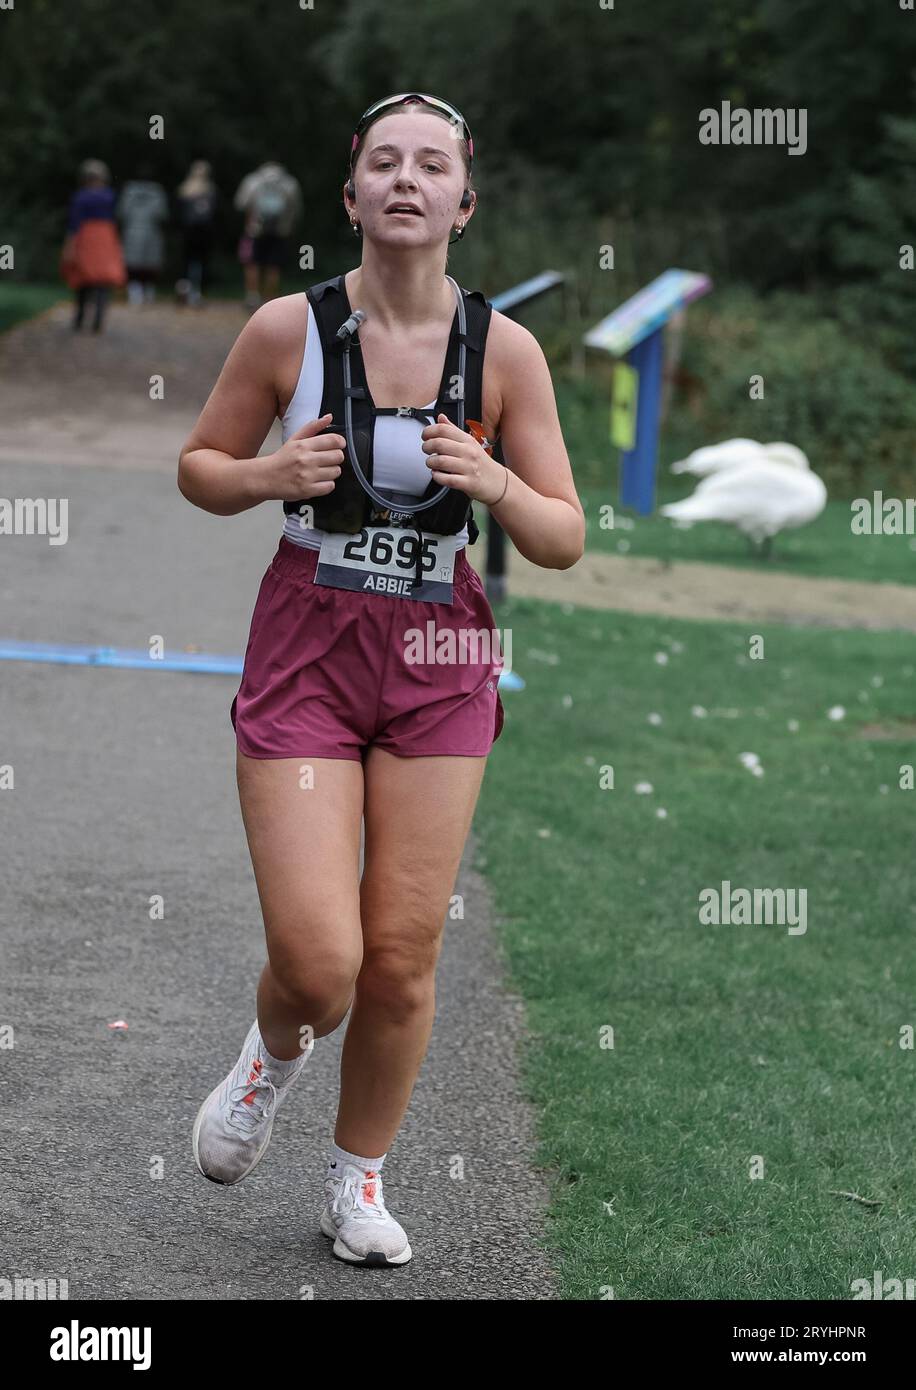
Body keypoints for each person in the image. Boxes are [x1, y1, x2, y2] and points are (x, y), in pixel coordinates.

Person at [178, 94, 584, 1268]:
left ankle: (355, 1183)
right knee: (322, 962)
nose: (408, 180)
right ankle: (271, 1054)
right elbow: (200, 467)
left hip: (441, 651)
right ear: (350, 192)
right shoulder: (283, 331)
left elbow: (562, 535)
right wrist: (266, 474)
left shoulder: (504, 351)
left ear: (466, 199)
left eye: (434, 164)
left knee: (401, 955)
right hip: (308, 634)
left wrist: (495, 485)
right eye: (384, 162)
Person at [60, 159, 126, 333]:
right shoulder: (110, 196)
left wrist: (69, 245)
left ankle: (80, 317)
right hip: (105, 237)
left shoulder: (81, 197)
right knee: (103, 279)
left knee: (83, 277)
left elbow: (74, 224)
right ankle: (98, 319)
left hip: (86, 236)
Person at [233, 159, 303, 310]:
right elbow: (296, 209)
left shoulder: (252, 181)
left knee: (251, 262)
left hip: (254, 230)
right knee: (274, 265)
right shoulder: (290, 183)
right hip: (280, 231)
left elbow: (241, 204)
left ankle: (252, 297)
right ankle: (269, 300)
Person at [117, 163, 169, 305]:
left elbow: (122, 212)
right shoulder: (157, 192)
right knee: (146, 263)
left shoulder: (129, 191)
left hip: (134, 231)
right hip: (149, 231)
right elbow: (162, 214)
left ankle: (137, 291)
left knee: (138, 262)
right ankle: (143, 291)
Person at [175, 159, 218, 307]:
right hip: (203, 232)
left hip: (188, 232)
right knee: (201, 262)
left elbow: (179, 213)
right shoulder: (209, 190)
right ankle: (196, 293)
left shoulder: (185, 189)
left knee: (186, 262)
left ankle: (183, 291)